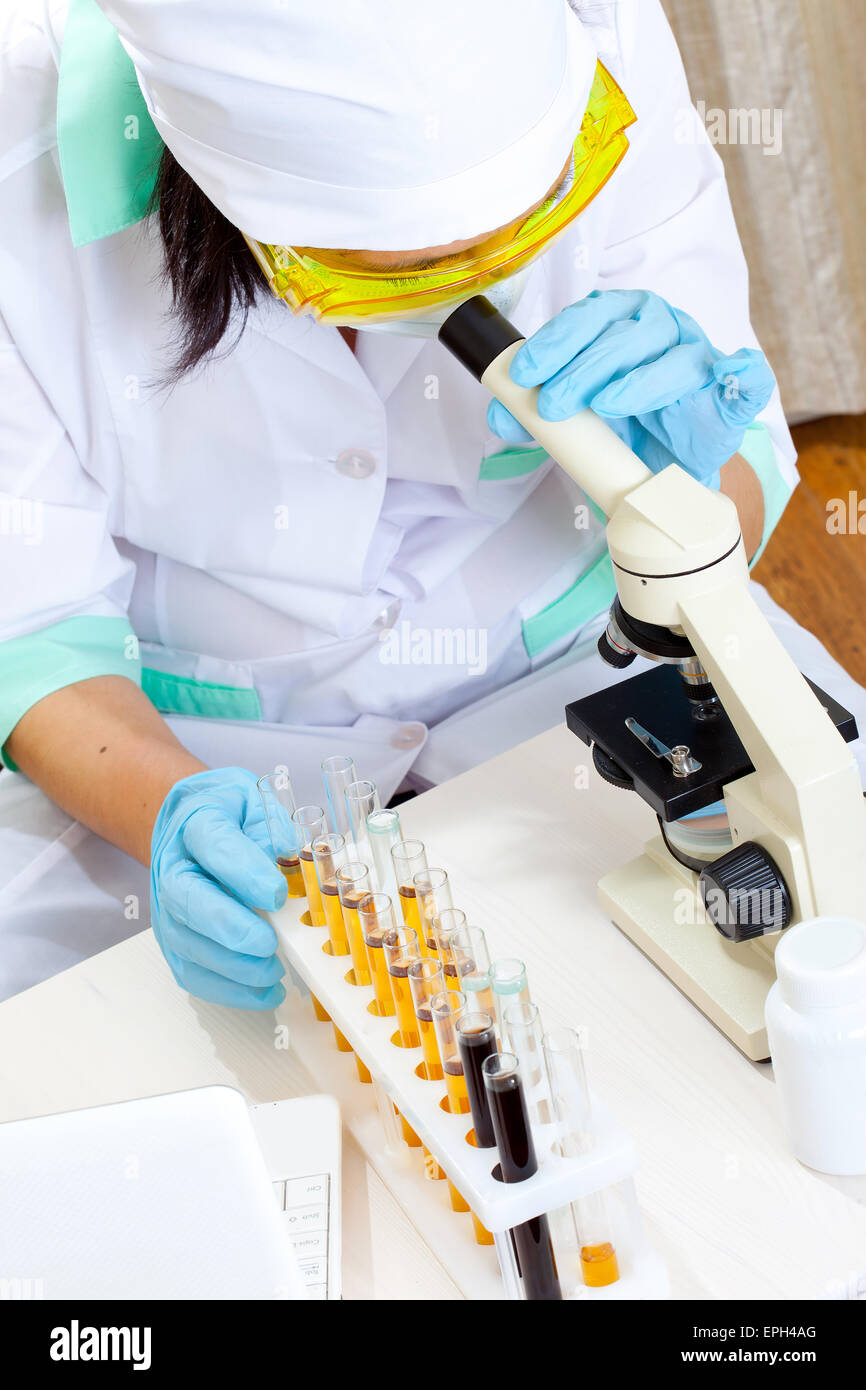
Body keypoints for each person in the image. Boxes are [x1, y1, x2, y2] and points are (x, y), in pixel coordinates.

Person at [0, 0, 861, 1008]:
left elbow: (732, 433)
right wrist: (170, 815)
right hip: (201, 740)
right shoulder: (25, 143)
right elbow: (38, 629)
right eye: (396, 272)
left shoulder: (600, 30)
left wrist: (693, 492)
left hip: (584, 654)